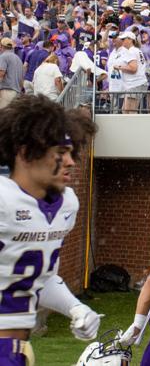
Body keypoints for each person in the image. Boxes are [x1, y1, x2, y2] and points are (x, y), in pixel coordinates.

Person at [0, 95, 99, 364]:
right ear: (25, 152)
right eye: (60, 152)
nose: (70, 161)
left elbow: (40, 277)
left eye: (71, 152)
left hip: (18, 347)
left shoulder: (66, 203)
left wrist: (75, 307)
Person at [0, 37, 23, 109]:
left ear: (2, 46)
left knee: (4, 116)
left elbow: (1, 73)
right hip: (17, 92)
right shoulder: (18, 58)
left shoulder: (3, 56)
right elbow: (22, 78)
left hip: (7, 90)